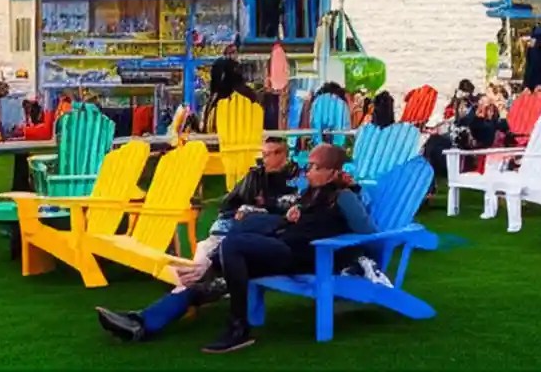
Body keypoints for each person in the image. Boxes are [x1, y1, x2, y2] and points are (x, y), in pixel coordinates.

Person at [94, 144, 375, 354]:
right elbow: (288, 213)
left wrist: (355, 193)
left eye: (314, 166)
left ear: (333, 172)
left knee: (234, 244)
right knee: (233, 244)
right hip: (281, 248)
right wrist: (284, 214)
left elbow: (368, 233)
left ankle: (238, 328)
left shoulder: (344, 196)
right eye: (309, 165)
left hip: (305, 258)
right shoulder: (311, 193)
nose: (308, 170)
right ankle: (141, 322)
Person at [167, 137, 300, 288]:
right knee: (205, 247)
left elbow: (290, 205)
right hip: (239, 224)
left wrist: (259, 207)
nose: (264, 160)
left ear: (282, 154)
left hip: (265, 230)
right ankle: (189, 286)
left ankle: (189, 285)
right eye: (263, 154)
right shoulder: (256, 175)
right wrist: (243, 208)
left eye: (267, 155)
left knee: (210, 252)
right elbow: (232, 201)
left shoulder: (294, 178)